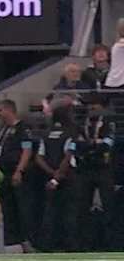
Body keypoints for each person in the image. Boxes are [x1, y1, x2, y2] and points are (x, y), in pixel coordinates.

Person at [73, 95, 116, 251]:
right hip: (86, 169)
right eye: (89, 106)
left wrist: (90, 146)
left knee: (108, 207)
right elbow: (76, 145)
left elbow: (107, 144)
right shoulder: (82, 123)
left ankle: (111, 245)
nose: (91, 108)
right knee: (82, 207)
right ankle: (84, 244)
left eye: (94, 105)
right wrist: (92, 146)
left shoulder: (108, 123)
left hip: (103, 170)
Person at [0, 99, 36, 253]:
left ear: (9, 110)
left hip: (16, 172)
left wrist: (19, 170)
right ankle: (12, 241)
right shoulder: (3, 130)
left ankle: (27, 239)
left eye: (0, 110)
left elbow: (27, 150)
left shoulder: (22, 128)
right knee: (7, 208)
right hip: (2, 173)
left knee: (22, 208)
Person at [36, 101, 77, 252]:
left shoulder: (46, 134)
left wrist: (51, 174)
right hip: (67, 179)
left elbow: (39, 158)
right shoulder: (70, 133)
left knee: (50, 212)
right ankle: (69, 246)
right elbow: (68, 157)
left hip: (50, 178)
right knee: (69, 213)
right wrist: (57, 177)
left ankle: (48, 245)